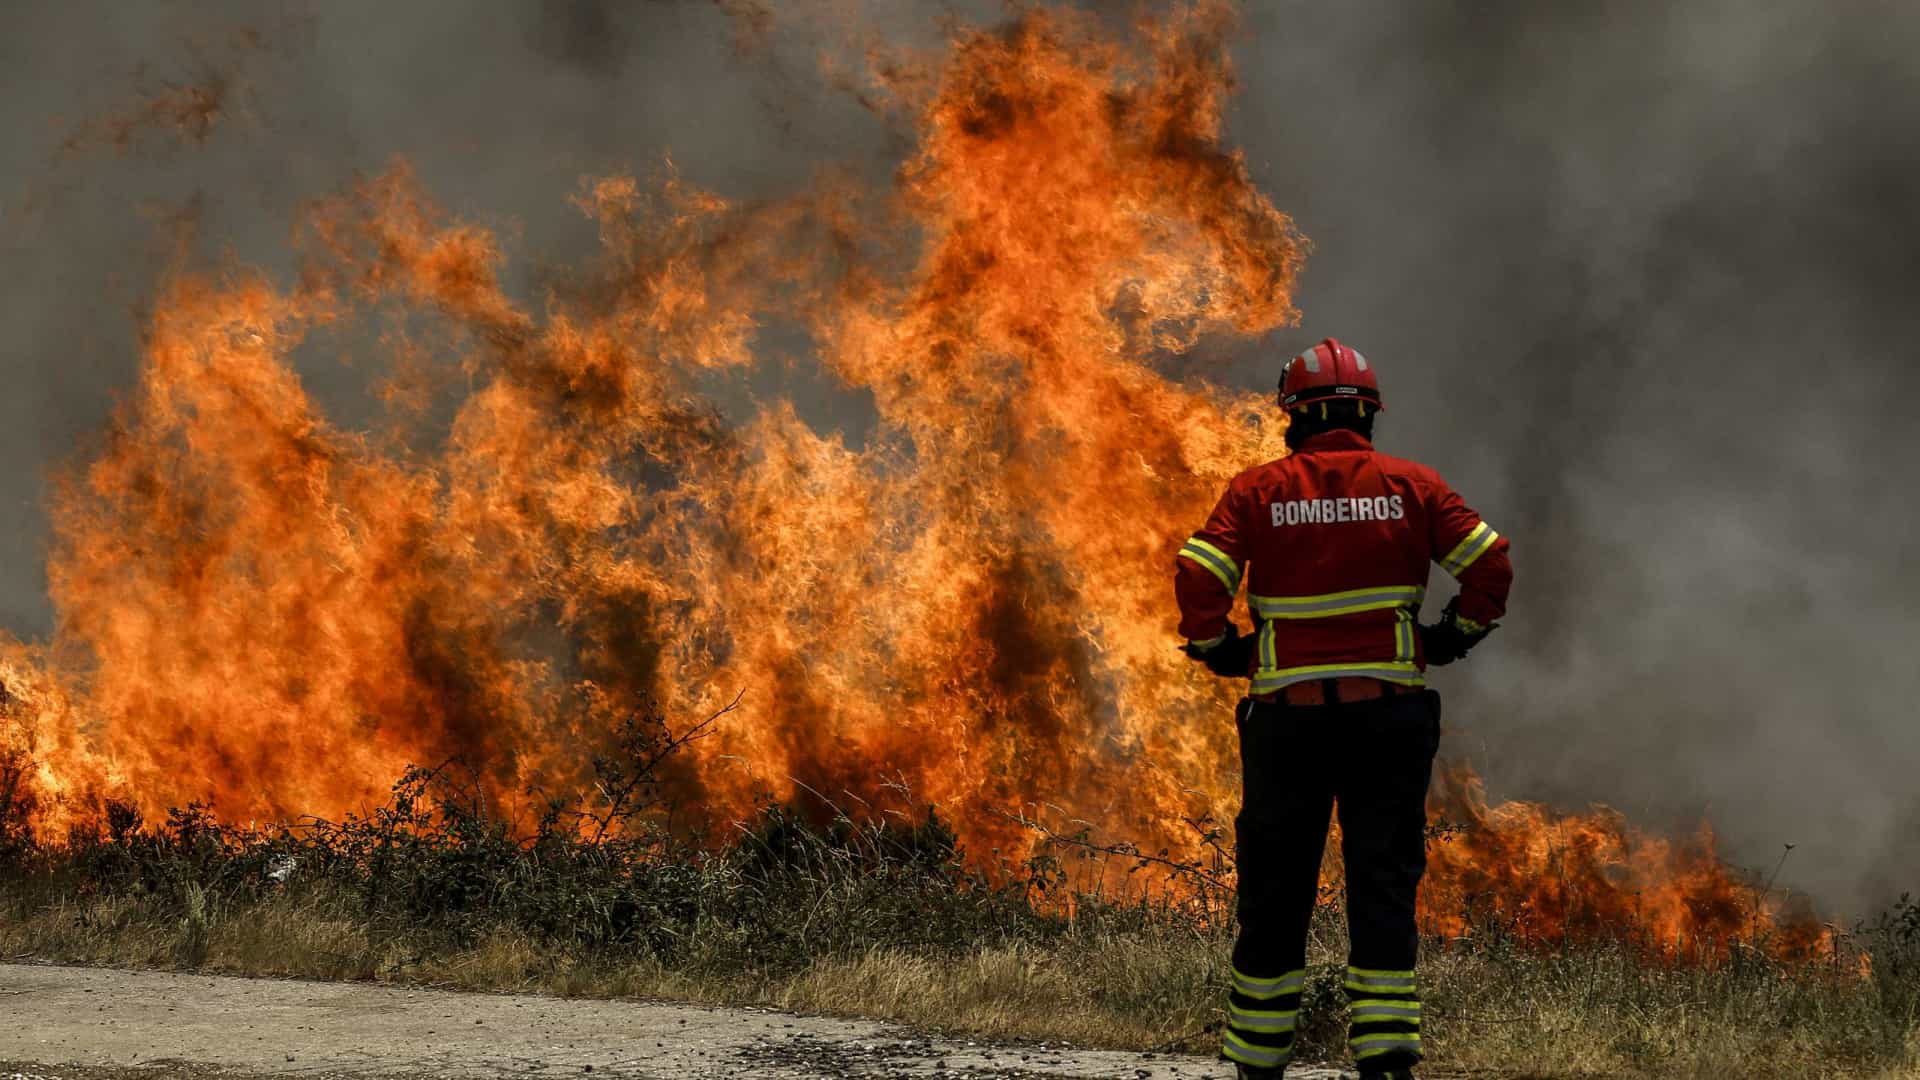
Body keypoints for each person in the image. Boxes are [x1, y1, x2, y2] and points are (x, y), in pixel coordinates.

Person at [1173, 338, 1512, 1079]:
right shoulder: (1412, 487)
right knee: (1382, 885)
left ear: (1293, 416)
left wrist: (1215, 645)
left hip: (1288, 726)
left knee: (1275, 890)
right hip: (1387, 722)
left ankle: (1260, 1063)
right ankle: (1385, 1060)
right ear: (1369, 414)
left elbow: (1200, 569)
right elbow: (1490, 563)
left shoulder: (1257, 491)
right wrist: (1451, 637)